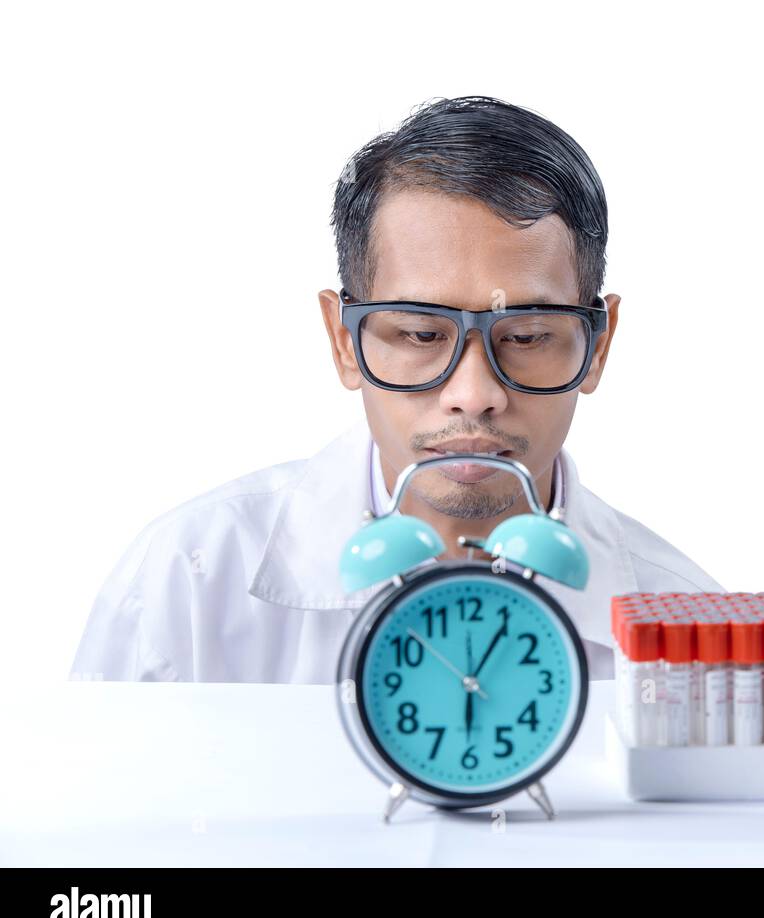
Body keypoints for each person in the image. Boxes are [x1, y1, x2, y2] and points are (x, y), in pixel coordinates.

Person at [71, 95, 723, 683]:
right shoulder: (183, 586)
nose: (474, 394)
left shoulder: (696, 637)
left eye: (525, 337)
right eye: (418, 334)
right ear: (342, 340)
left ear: (597, 346)